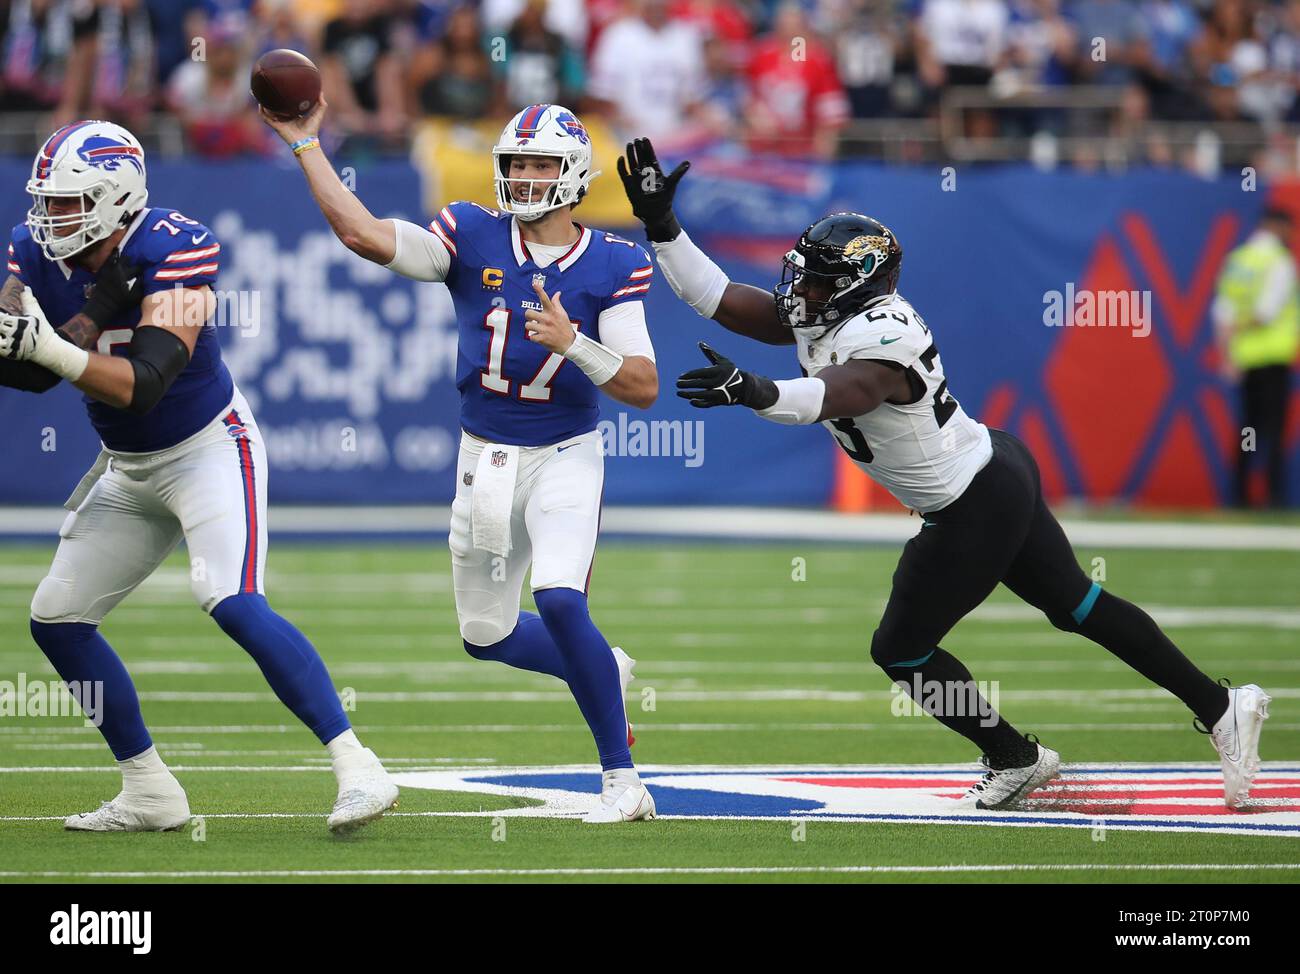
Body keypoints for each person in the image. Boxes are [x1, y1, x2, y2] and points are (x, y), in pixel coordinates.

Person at [617, 136, 1271, 810]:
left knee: (901, 648)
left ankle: (1015, 757)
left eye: (815, 280)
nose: (800, 290)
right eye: (801, 275)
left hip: (972, 502)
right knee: (1077, 606)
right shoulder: (831, 310)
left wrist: (755, 390)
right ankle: (1221, 706)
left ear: (857, 285)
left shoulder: (885, 332)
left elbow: (841, 394)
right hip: (991, 468)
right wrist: (662, 226)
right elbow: (722, 298)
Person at [262, 101, 661, 823]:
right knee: (487, 636)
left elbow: (642, 386)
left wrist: (575, 343)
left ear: (574, 174)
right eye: (517, 163)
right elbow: (362, 233)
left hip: (565, 454)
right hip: (484, 458)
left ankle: (623, 781)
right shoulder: (472, 232)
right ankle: (603, 667)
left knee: (560, 598)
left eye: (541, 164)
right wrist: (306, 145)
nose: (525, 176)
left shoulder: (614, 260)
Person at [0, 120, 398, 832]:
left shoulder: (177, 244)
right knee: (57, 621)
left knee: (230, 597)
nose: (49, 217)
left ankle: (358, 765)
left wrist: (52, 346)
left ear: (114, 197)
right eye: (46, 201)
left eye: (66, 202)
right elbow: (24, 372)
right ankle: (149, 789)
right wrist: (47, 335)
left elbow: (146, 381)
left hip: (207, 449)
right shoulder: (31, 252)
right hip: (128, 468)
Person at [1214, 206, 1298, 508]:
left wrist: (1227, 353)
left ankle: (1240, 496)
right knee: (1273, 430)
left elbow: (1222, 312)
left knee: (1248, 428)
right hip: (1272, 358)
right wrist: (1240, 328)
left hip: (1244, 359)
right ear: (1278, 227)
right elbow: (1266, 313)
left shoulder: (1238, 260)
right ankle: (1274, 496)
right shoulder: (1278, 261)